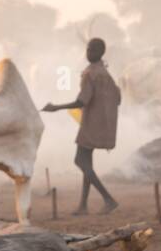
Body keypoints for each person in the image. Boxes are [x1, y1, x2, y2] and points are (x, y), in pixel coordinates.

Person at [42, 38, 120, 215]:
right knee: (87, 163)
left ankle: (108, 199)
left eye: (91, 49)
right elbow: (118, 98)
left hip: (91, 124)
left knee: (79, 161)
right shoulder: (105, 73)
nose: (88, 52)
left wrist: (56, 107)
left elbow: (81, 101)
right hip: (103, 124)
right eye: (88, 49)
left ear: (99, 52)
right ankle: (83, 206)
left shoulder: (90, 74)